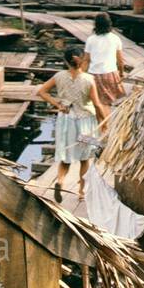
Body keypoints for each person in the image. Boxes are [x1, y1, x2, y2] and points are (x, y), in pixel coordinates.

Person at [36, 45, 104, 201]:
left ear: (66, 61)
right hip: (85, 123)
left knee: (65, 157)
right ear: (82, 61)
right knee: (84, 158)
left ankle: (60, 181)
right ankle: (81, 192)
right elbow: (97, 104)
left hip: (65, 121)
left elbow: (41, 91)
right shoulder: (89, 79)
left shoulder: (59, 76)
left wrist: (57, 104)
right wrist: (104, 122)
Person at [84, 12, 126, 111]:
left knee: (96, 102)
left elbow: (86, 60)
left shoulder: (91, 40)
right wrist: (121, 73)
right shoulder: (115, 39)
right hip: (110, 73)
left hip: (94, 74)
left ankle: (100, 123)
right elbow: (120, 61)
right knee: (107, 102)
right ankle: (105, 124)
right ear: (109, 24)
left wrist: (81, 75)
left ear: (96, 25)